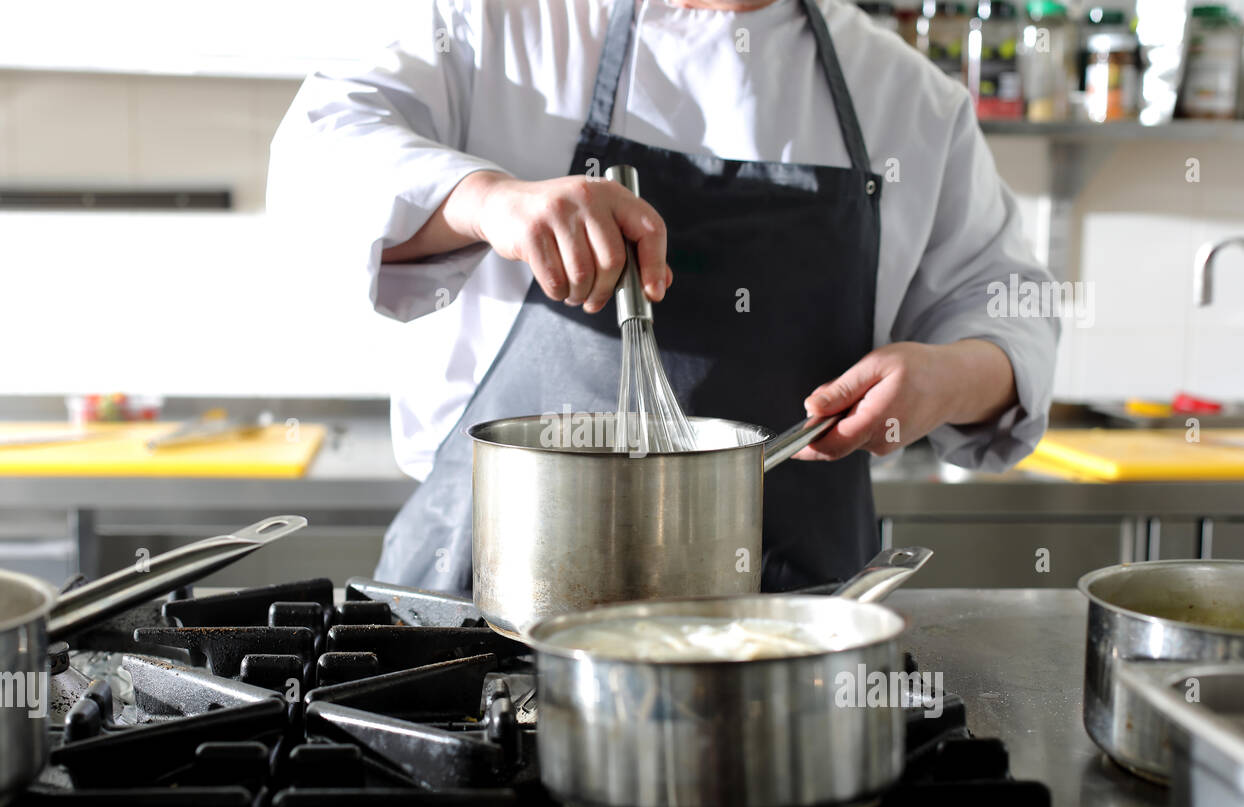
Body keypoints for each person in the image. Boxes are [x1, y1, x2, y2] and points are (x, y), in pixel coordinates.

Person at [267, 0, 1059, 594]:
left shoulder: (909, 97)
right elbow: (318, 155)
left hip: (781, 639)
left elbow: (1005, 304)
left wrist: (945, 378)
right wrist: (488, 200)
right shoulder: (496, 23)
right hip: (491, 608)